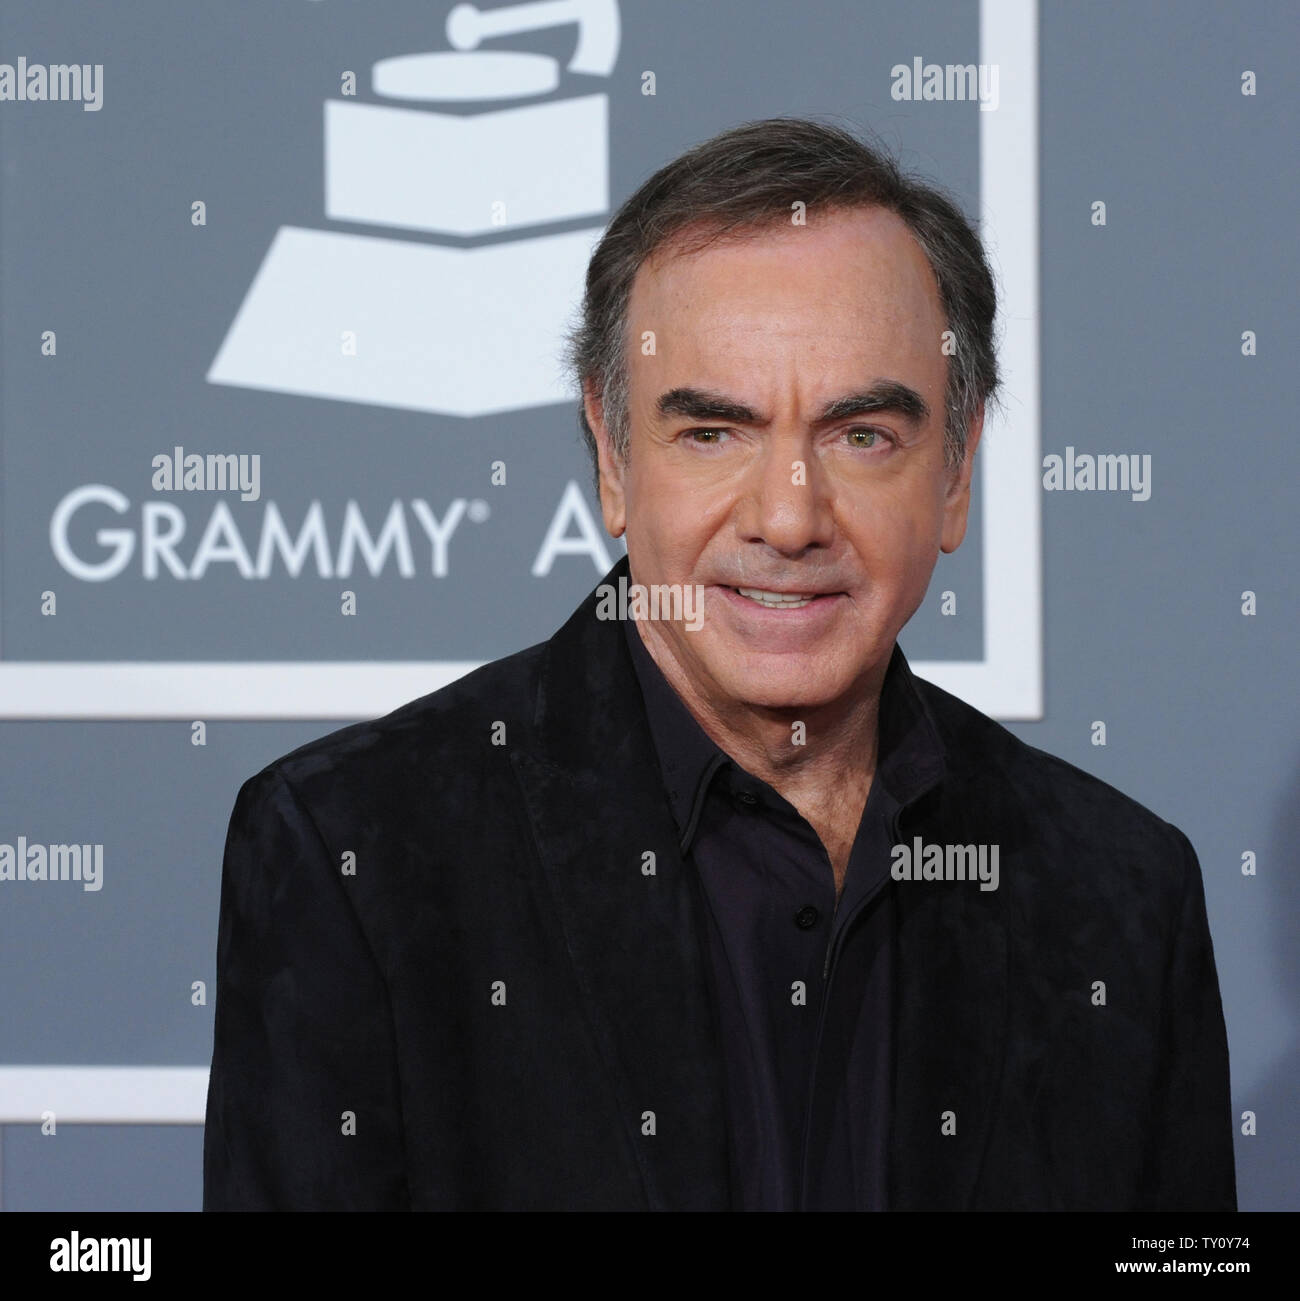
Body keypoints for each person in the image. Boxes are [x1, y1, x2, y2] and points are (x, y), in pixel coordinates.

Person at [203, 117, 1236, 1211]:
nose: (788, 516)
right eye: (714, 432)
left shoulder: (1118, 889)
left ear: (956, 469)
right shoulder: (359, 854)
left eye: (861, 435)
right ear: (612, 456)